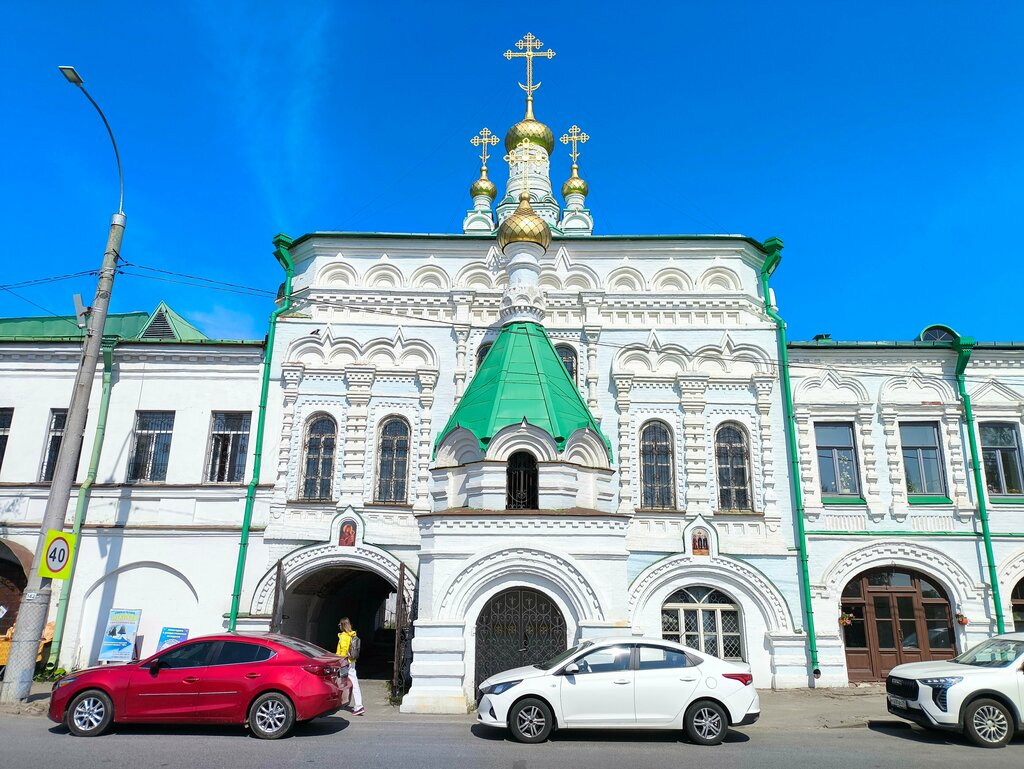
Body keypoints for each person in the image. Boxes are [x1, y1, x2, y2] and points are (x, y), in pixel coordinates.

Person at [336, 617, 363, 716]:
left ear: (342, 625)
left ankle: (358, 705)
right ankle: (357, 704)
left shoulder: (344, 636)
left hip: (345, 662)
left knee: (339, 681)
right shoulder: (352, 635)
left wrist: (340, 661)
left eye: (339, 624)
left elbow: (343, 651)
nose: (338, 626)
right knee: (351, 682)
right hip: (352, 661)